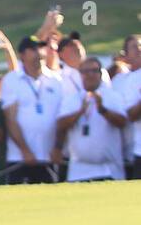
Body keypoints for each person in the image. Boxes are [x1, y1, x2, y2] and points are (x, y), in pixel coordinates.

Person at [1, 36, 66, 184]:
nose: (39, 53)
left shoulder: (56, 81)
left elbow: (62, 118)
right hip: (20, 158)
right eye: (33, 49)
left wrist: (58, 147)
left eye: (40, 48)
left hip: (48, 157)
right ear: (22, 55)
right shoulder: (12, 80)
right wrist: (25, 150)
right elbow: (10, 119)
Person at [54, 57, 127, 182]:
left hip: (109, 170)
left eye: (94, 71)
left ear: (100, 74)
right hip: (78, 171)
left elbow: (122, 123)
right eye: (85, 71)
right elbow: (61, 125)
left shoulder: (113, 96)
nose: (90, 75)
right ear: (80, 74)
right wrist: (79, 112)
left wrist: (103, 110)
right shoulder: (72, 99)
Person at [113, 35, 141, 179]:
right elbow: (128, 116)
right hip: (131, 150)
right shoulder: (120, 80)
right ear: (126, 55)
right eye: (135, 47)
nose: (139, 49)